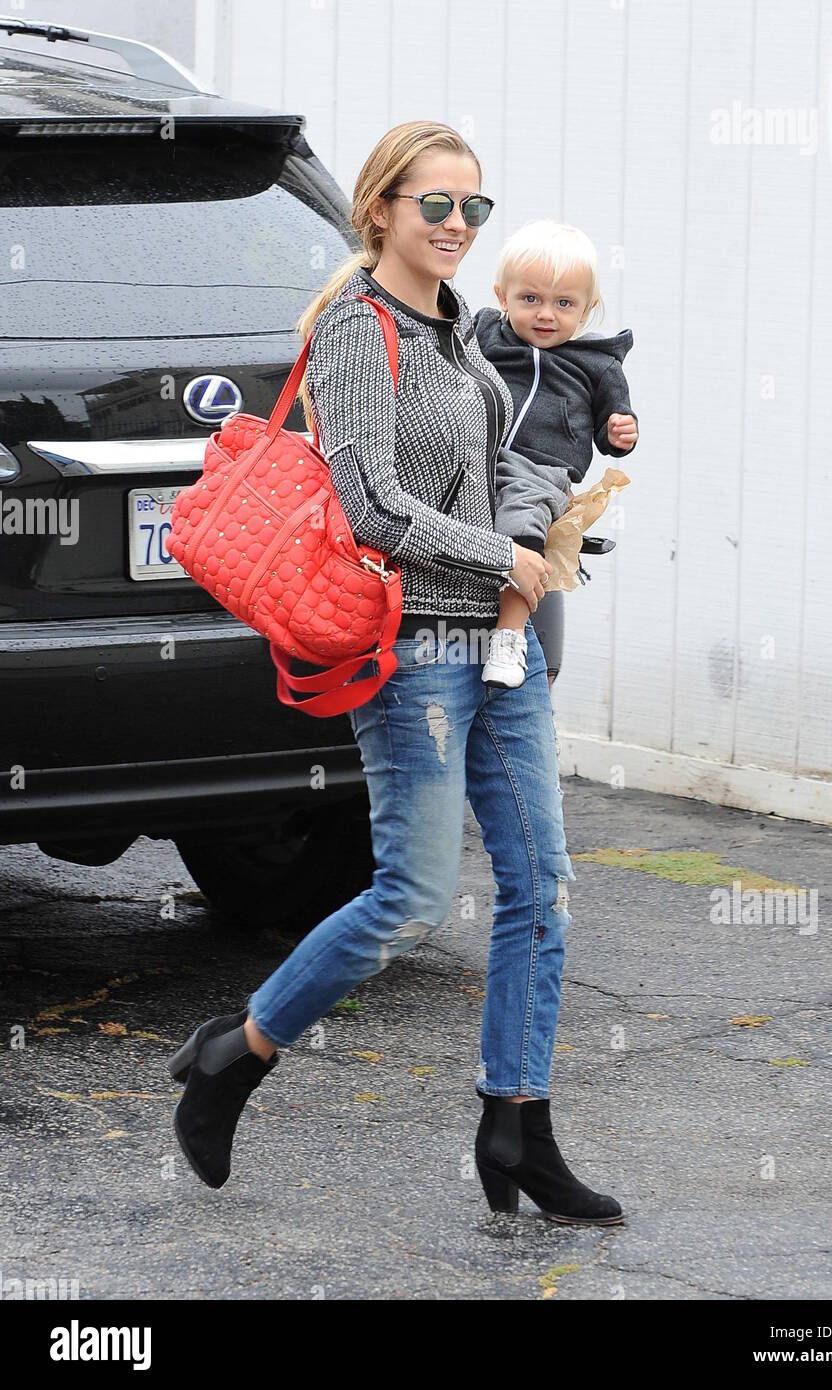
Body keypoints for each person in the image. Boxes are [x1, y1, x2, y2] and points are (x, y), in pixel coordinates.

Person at [169, 119, 623, 1226]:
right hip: (411, 649)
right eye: (437, 205)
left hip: (496, 652)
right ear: (380, 209)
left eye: (474, 207)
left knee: (539, 888)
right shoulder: (353, 331)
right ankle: (237, 1050)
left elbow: (483, 474)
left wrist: (555, 517)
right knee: (412, 896)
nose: (459, 225)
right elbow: (372, 504)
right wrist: (500, 554)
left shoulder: (463, 332)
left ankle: (516, 1124)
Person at [473, 219, 638, 688]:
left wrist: (621, 432)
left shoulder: (598, 366)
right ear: (502, 296)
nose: (546, 314)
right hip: (478, 455)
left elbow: (613, 431)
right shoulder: (486, 334)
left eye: (564, 303)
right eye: (530, 299)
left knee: (523, 524)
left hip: (542, 471)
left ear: (587, 310)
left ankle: (509, 637)